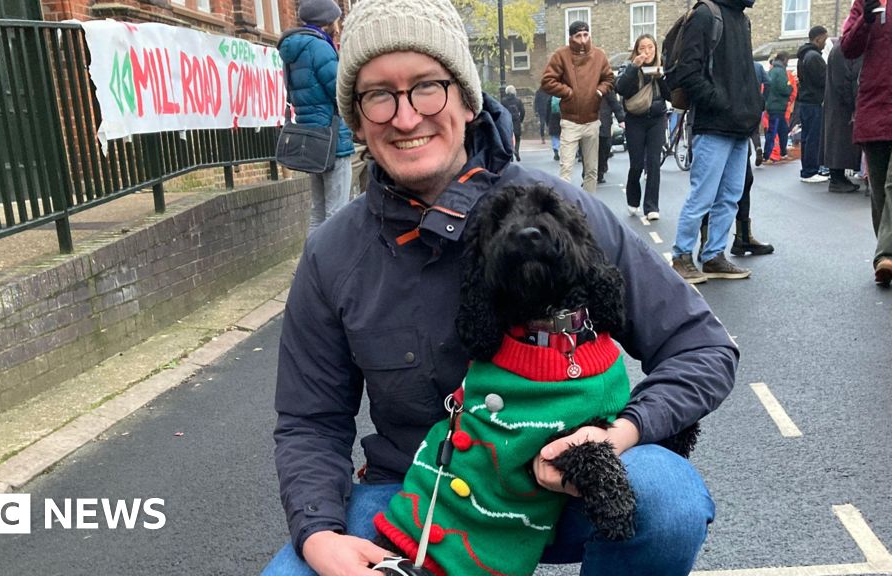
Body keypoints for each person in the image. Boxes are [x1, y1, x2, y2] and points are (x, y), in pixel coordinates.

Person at [264, 0, 738, 574]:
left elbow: (703, 347)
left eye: (427, 87)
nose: (406, 117)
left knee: (666, 500)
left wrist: (621, 433)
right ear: (357, 118)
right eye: (378, 95)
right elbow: (310, 420)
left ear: (466, 98)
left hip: (562, 493)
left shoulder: (561, 212)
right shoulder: (332, 252)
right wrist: (318, 537)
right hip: (413, 490)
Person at [668, 0, 762, 285]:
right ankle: (681, 256)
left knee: (730, 197)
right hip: (713, 123)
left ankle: (713, 256)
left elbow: (745, 74)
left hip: (739, 124)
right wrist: (721, 102)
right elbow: (688, 72)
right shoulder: (706, 15)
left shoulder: (742, 20)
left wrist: (750, 107)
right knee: (703, 196)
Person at [277, 0, 354, 235]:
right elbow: (339, 91)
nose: (338, 24)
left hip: (313, 138)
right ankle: (332, 270)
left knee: (318, 212)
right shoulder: (319, 47)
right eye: (336, 19)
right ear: (327, 21)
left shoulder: (294, 49)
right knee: (337, 212)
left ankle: (310, 267)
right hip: (333, 138)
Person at [842, 0, 892, 286]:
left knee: (891, 184)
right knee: (878, 192)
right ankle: (886, 257)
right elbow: (848, 47)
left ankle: (885, 255)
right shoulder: (864, 3)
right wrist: (866, 20)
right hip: (874, 105)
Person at [541, 21, 614, 193]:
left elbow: (609, 79)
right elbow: (547, 81)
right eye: (578, 35)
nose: (582, 39)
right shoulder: (561, 55)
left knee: (592, 170)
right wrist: (567, 92)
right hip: (570, 121)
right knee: (566, 168)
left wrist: (599, 92)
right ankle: (564, 211)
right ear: (571, 37)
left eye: (585, 35)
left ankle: (590, 209)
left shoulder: (599, 55)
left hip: (592, 119)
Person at [615, 34, 668, 220]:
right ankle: (633, 198)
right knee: (636, 164)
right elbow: (620, 88)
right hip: (635, 120)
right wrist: (633, 67)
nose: (647, 52)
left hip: (656, 118)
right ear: (636, 50)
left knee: (654, 163)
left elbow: (670, 94)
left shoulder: (662, 65)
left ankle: (652, 206)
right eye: (642, 48)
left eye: (650, 48)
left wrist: (660, 77)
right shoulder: (628, 65)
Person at [823, 37, 862, 194]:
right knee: (839, 141)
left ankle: (838, 177)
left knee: (838, 141)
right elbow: (845, 79)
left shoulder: (840, 47)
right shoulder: (843, 49)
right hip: (841, 106)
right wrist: (853, 102)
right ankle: (837, 179)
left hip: (838, 104)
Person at [796, 25, 829, 183]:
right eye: (825, 39)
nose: (825, 42)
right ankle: (810, 171)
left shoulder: (803, 56)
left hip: (805, 101)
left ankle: (807, 170)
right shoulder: (814, 57)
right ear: (818, 38)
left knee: (806, 137)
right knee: (813, 137)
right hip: (814, 101)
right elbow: (824, 80)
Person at [763, 52, 793, 162]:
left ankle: (782, 153)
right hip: (778, 106)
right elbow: (784, 88)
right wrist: (790, 88)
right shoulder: (781, 72)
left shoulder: (771, 71)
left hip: (772, 105)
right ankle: (767, 155)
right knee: (774, 130)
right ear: (784, 59)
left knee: (782, 130)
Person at [597, 89, 624, 184]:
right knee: (587, 148)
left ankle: (600, 170)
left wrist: (621, 118)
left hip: (604, 121)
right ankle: (588, 173)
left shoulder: (606, 84)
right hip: (588, 121)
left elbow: (614, 102)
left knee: (605, 146)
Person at [501, 84, 525, 161]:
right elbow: (523, 111)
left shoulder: (504, 101)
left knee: (509, 138)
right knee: (517, 138)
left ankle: (511, 154)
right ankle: (516, 151)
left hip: (507, 121)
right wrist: (520, 119)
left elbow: (501, 111)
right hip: (516, 121)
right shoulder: (518, 100)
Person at [549, 93, 562, 160]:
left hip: (553, 118)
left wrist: (547, 121)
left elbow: (547, 110)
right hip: (563, 117)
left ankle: (556, 150)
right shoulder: (565, 94)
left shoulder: (551, 97)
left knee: (555, 136)